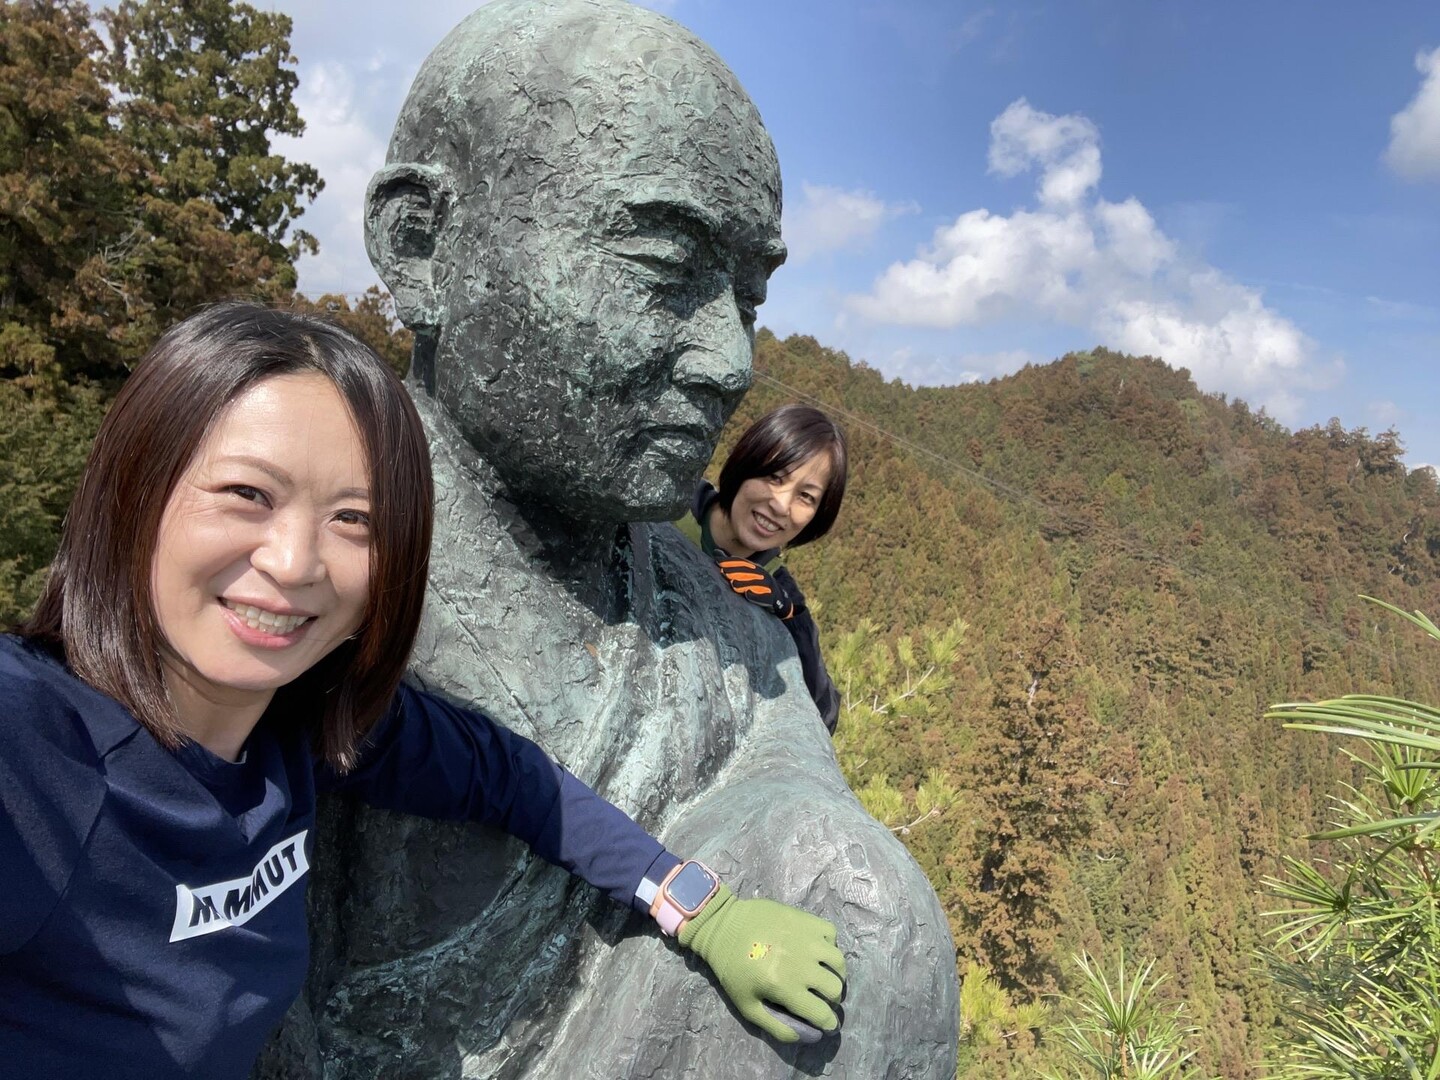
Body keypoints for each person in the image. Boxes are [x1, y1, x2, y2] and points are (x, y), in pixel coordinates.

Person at [279, 2, 961, 1077]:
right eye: (660, 269)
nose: (729, 360)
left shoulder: (706, 611)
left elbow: (781, 744)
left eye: (748, 295)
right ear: (425, 245)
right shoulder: (290, 602)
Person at [0, 304, 847, 1080]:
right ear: (136, 489)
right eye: (246, 495)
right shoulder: (40, 754)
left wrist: (699, 907)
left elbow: (509, 777)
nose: (294, 563)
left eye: (354, 520)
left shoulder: (299, 722)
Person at [679, 405, 847, 734]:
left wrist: (783, 620)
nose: (781, 505)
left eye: (806, 497)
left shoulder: (781, 597)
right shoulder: (669, 506)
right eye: (775, 477)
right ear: (746, 463)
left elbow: (823, 715)